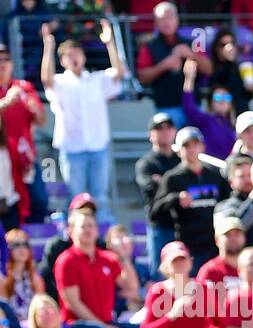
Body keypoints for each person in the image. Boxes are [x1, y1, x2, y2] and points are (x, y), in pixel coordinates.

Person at [40, 20, 124, 220]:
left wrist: (110, 43)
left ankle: (102, 241)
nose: (74, 58)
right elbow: (47, 80)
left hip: (98, 147)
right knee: (75, 199)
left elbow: (119, 74)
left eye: (77, 53)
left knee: (101, 198)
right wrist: (48, 46)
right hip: (72, 149)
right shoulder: (60, 82)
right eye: (69, 55)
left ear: (84, 56)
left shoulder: (97, 80)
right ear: (62, 61)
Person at [54, 208, 141, 328]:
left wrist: (124, 258)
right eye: (83, 226)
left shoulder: (107, 258)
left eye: (91, 226)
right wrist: (103, 327)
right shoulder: (66, 261)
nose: (88, 230)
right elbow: (72, 303)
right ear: (71, 231)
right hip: (76, 324)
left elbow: (131, 290)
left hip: (106, 322)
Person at [151, 127, 229, 269]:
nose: (191, 149)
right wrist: (175, 199)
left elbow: (228, 202)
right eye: (186, 145)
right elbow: (155, 212)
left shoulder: (216, 175)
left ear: (202, 146)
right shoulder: (172, 178)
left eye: (195, 144)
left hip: (215, 245)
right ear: (178, 150)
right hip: (189, 248)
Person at [0, 36, 47, 224]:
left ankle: (25, 245)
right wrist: (5, 103)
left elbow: (42, 121)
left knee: (39, 201)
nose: (3, 64)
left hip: (24, 157)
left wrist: (34, 108)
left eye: (6, 59)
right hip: (3, 160)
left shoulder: (23, 87)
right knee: (9, 208)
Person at [135, 113, 181, 273]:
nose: (165, 131)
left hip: (184, 224)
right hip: (160, 226)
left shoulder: (181, 159)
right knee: (161, 275)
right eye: (159, 128)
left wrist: (162, 181)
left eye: (169, 127)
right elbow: (151, 187)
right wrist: (176, 188)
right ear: (151, 135)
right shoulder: (146, 163)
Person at [2, 227, 41, 319]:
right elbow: (3, 310)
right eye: (16, 245)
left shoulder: (35, 278)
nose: (22, 248)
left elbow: (40, 307)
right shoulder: (3, 279)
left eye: (25, 244)